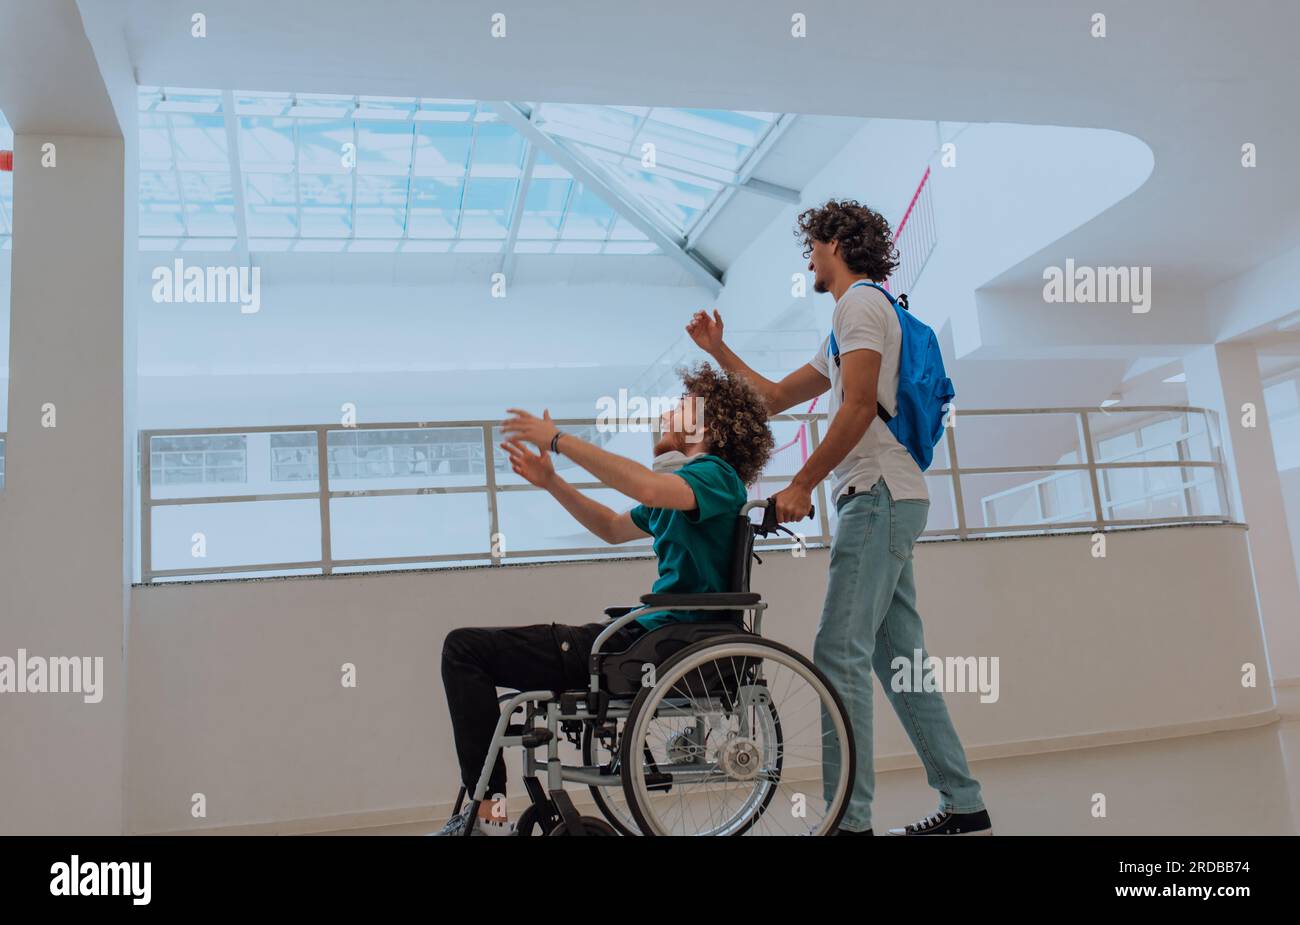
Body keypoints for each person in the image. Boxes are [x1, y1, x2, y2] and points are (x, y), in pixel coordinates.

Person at [686, 199, 992, 836]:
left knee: (835, 654)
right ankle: (966, 806)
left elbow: (856, 406)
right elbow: (770, 398)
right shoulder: (854, 318)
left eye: (813, 246)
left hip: (877, 496)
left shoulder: (860, 306)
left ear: (835, 244)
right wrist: (721, 350)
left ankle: (848, 823)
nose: (809, 258)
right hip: (887, 497)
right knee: (896, 660)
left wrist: (802, 483)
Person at [430, 363, 774, 835]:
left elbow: (647, 485)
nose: (667, 414)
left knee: (463, 650)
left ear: (707, 427)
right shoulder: (683, 491)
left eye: (679, 407)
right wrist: (553, 482)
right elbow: (612, 528)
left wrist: (559, 440)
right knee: (477, 661)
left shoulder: (715, 476)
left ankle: (487, 820)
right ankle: (487, 816)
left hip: (659, 645)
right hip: (648, 640)